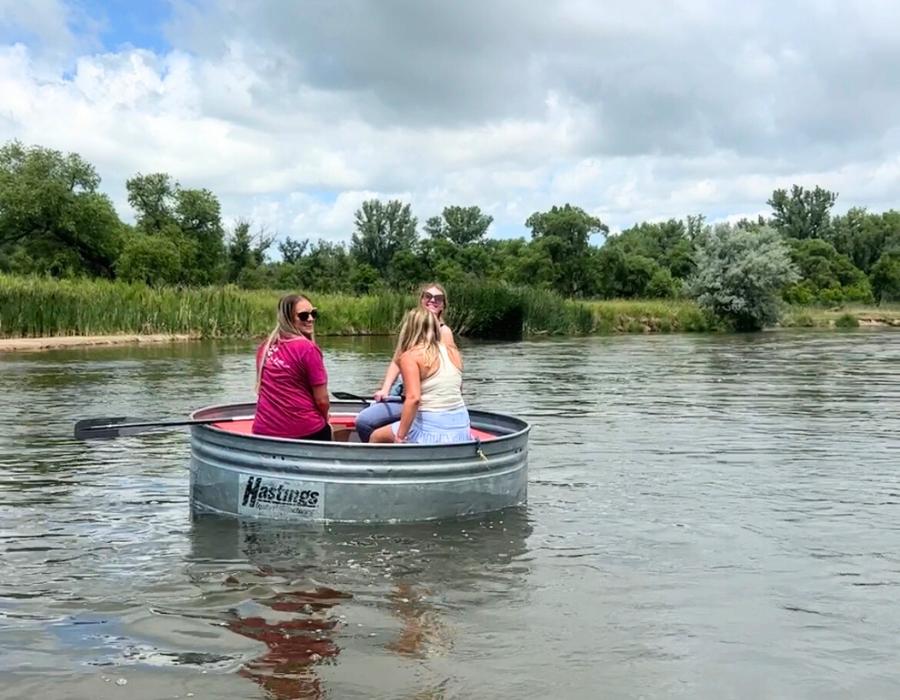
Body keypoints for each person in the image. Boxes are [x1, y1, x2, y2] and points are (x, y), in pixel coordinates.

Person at [355, 282, 455, 442]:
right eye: (428, 296)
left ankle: (386, 451)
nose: (432, 300)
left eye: (438, 298)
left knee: (365, 422)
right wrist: (385, 389)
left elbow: (450, 370)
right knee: (364, 419)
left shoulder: (444, 332)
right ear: (421, 300)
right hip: (402, 394)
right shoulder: (412, 326)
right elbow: (397, 360)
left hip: (426, 401)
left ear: (444, 304)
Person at [370, 307, 471, 444]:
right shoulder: (453, 352)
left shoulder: (410, 356)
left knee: (376, 436)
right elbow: (459, 390)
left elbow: (413, 399)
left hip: (432, 429)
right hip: (461, 426)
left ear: (410, 328)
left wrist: (400, 436)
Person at [252, 293, 331, 441]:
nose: (311, 319)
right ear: (288, 319)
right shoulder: (308, 349)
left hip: (262, 431)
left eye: (313, 313)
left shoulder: (265, 347)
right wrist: (325, 417)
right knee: (327, 429)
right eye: (303, 316)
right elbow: (322, 400)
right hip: (304, 431)